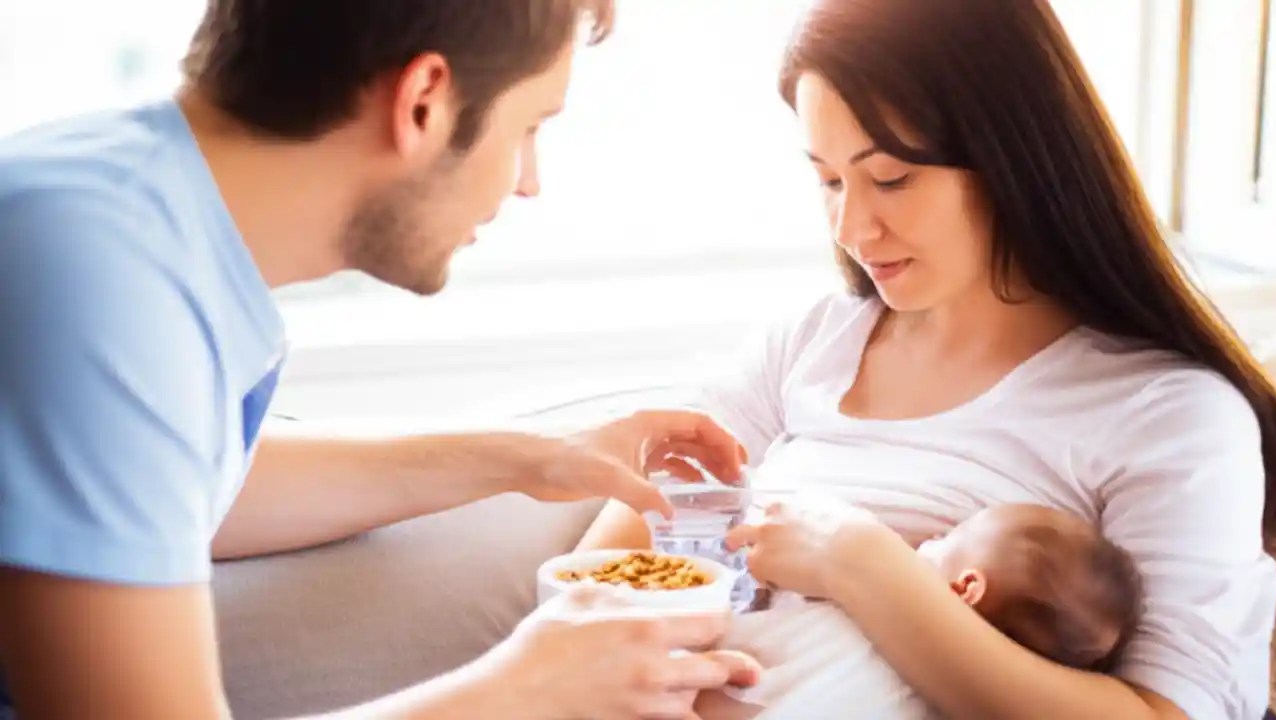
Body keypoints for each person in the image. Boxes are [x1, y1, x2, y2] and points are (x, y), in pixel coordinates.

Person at [0, 1, 762, 718]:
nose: (529, 182)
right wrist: (530, 687)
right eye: (529, 127)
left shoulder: (117, 197)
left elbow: (183, 486)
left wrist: (535, 457)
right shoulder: (101, 285)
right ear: (424, 100)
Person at [578, 0, 1276, 717]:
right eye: (828, 180)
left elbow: (1169, 711)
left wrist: (863, 566)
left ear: (1013, 157)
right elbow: (598, 584)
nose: (852, 227)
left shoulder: (1170, 414)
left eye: (889, 178)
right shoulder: (809, 344)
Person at [692, 503, 1143, 719]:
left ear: (966, 587)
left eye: (948, 541)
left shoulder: (840, 616)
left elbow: (718, 653)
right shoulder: (943, 703)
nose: (927, 541)